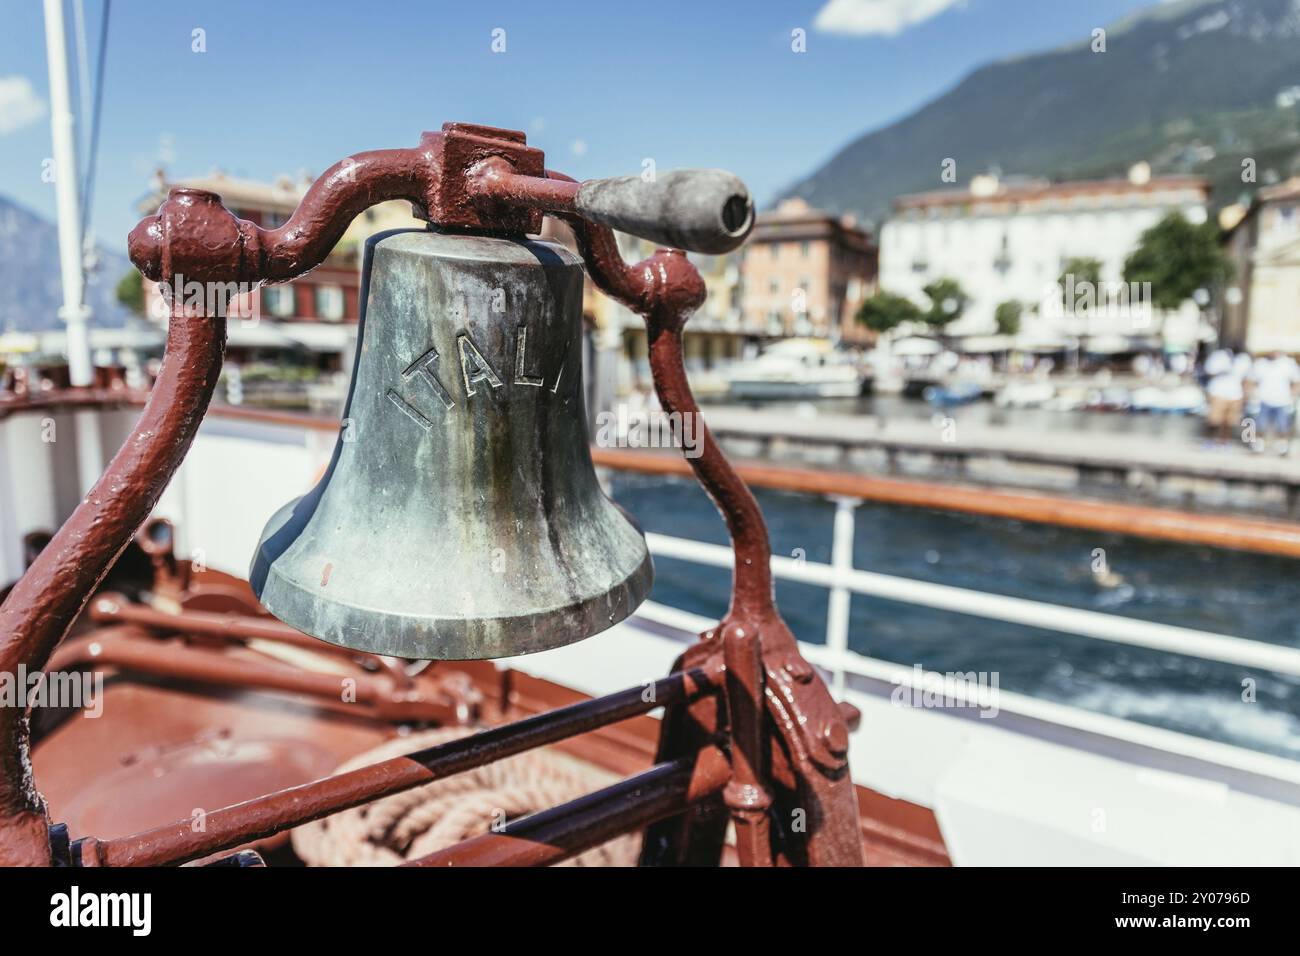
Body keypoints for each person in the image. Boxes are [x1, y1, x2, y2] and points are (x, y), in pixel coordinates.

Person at [1248, 350, 1300, 454]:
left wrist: (1293, 395)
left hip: (1283, 400)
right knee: (1260, 424)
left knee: (1283, 425)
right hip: (1263, 400)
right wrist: (1252, 395)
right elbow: (1251, 380)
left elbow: (1296, 381)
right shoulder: (1260, 364)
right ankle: (1258, 445)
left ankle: (1282, 447)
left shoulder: (1288, 363)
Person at [1203, 348, 1247, 446]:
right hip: (1218, 393)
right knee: (1214, 420)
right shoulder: (1218, 355)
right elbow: (1209, 372)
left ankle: (1224, 443)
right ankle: (1209, 441)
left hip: (1236, 394)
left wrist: (1245, 395)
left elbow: (1245, 379)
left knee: (1229, 422)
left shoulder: (1244, 359)